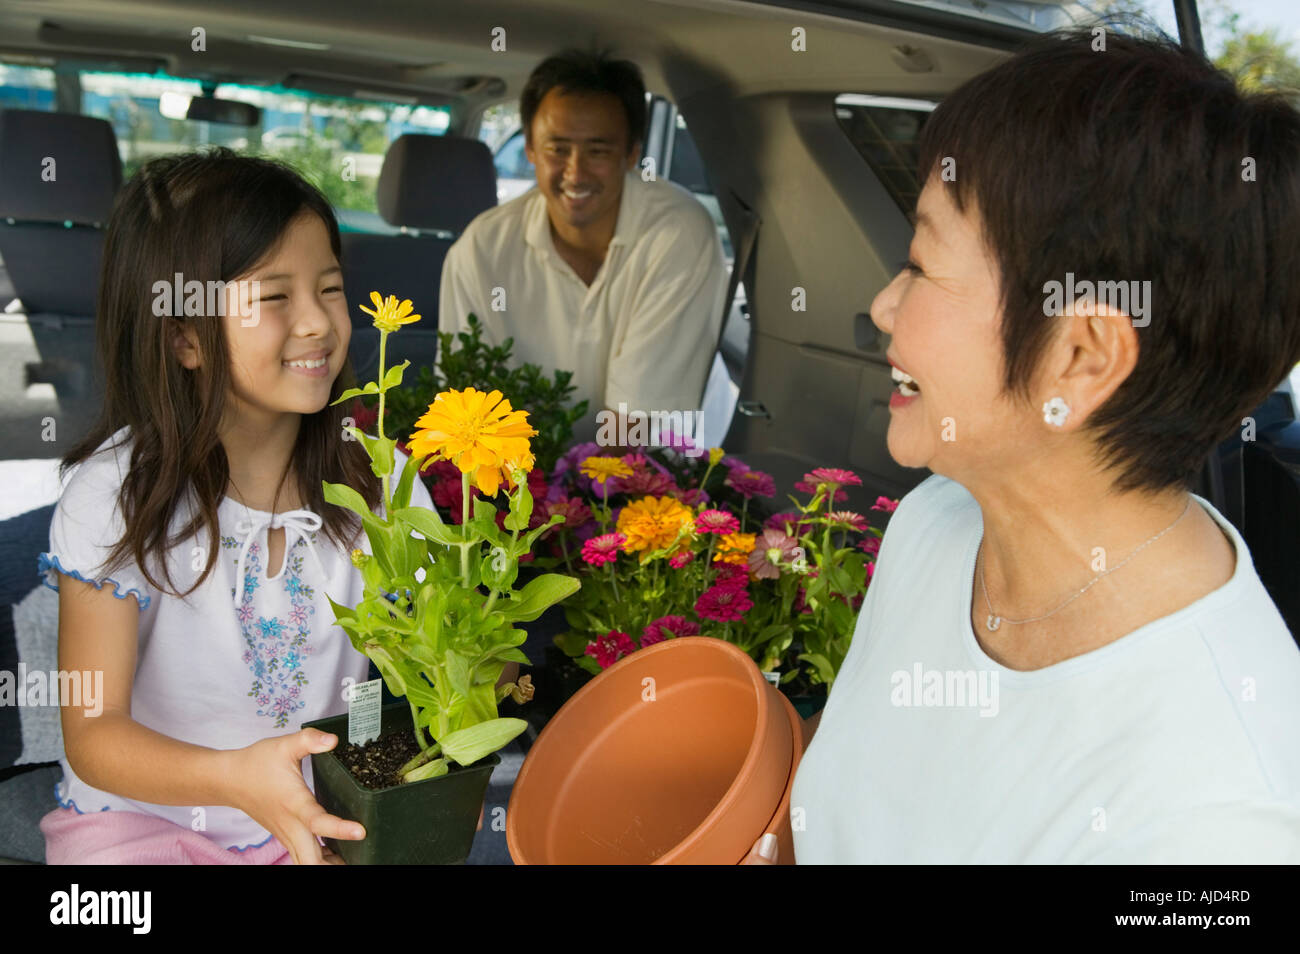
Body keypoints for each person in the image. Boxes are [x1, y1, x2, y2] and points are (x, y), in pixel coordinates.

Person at [749, 27, 1300, 863]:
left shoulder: (1218, 819)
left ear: (1080, 357)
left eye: (924, 266)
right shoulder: (936, 524)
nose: (885, 306)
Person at [34, 148, 450, 865]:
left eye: (329, 288)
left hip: (308, 822)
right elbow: (95, 732)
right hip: (139, 832)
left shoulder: (385, 483)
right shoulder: (113, 496)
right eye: (274, 297)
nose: (319, 323)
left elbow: (396, 676)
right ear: (183, 336)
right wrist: (235, 778)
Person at [438, 48, 728, 442]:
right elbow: (467, 411)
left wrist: (569, 498)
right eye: (557, 149)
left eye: (598, 150)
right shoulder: (481, 250)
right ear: (530, 151)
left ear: (631, 154)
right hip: (525, 475)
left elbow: (633, 427)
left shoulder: (677, 234)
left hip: (657, 466)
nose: (575, 172)